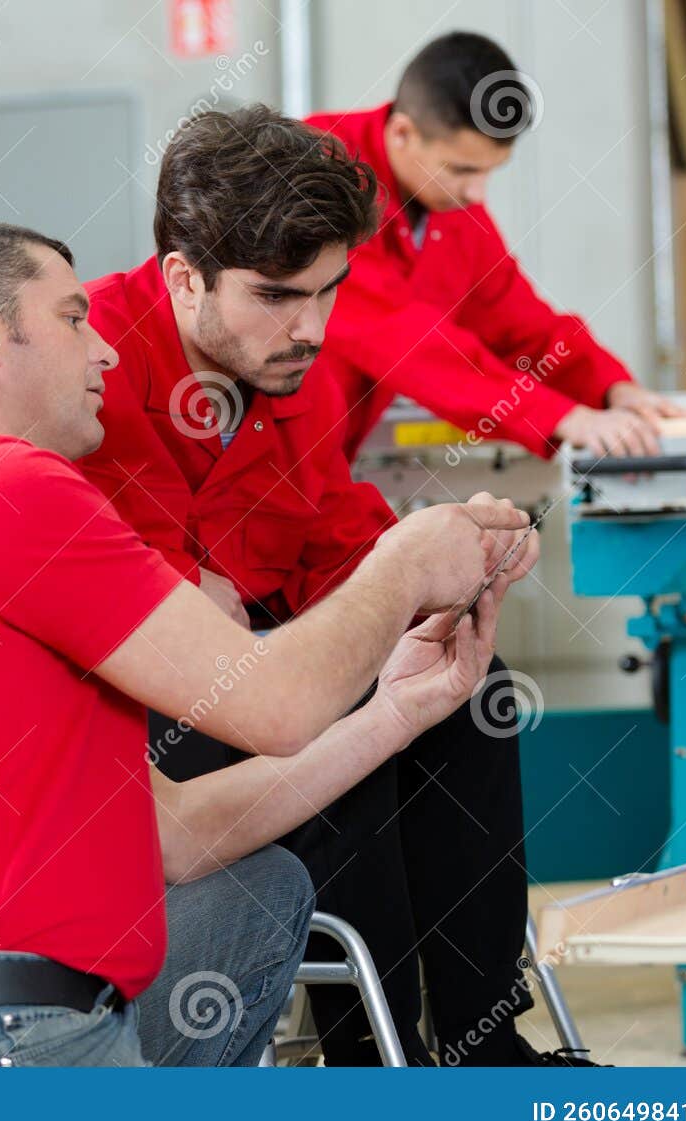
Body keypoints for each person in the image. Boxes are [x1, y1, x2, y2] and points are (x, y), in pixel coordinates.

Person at [0, 220, 536, 1067]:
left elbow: (177, 834)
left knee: (263, 890)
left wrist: (397, 710)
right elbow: (276, 703)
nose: (103, 351)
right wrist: (399, 567)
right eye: (74, 320)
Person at [79, 104, 592, 1065]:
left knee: (469, 693)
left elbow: (327, 527)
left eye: (329, 291)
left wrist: (442, 575)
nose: (313, 329)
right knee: (344, 732)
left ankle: (485, 1046)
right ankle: (374, 1062)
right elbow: (116, 582)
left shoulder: (286, 366)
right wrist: (205, 590)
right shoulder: (93, 362)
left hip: (269, 653)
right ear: (184, 278)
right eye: (279, 295)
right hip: (134, 701)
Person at [308, 30, 686, 463]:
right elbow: (400, 335)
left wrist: (610, 388)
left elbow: (521, 325)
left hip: (328, 467)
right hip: (257, 461)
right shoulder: (317, 173)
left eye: (491, 171)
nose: (476, 193)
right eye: (462, 169)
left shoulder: (451, 208)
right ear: (402, 132)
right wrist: (562, 417)